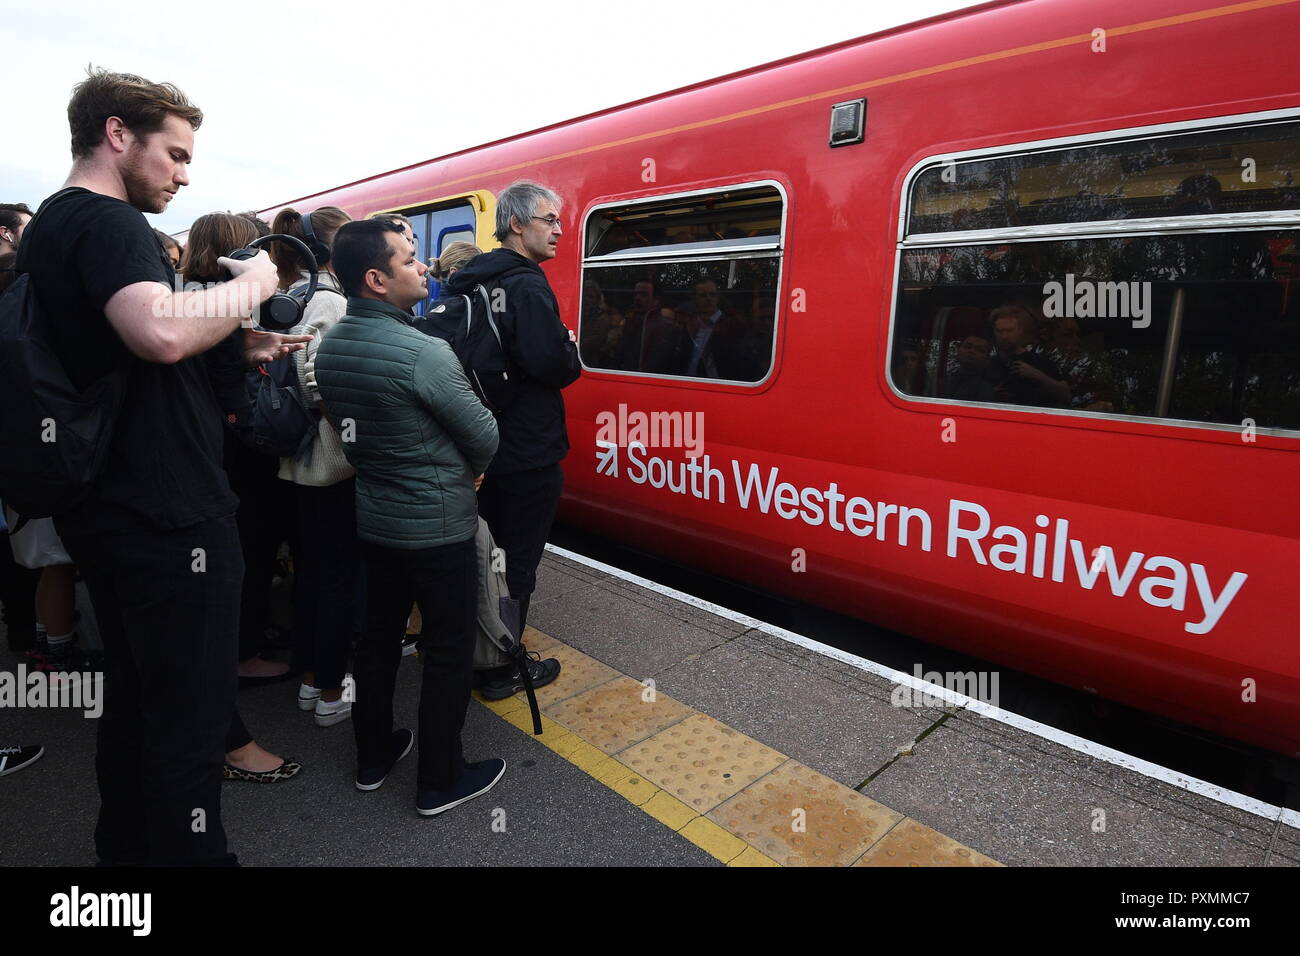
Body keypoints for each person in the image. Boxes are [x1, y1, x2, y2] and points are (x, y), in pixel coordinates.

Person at [18, 69, 301, 864]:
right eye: (173, 154)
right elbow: (162, 335)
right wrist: (253, 285)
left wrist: (234, 342)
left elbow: (126, 352)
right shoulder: (108, 223)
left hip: (113, 507)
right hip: (168, 514)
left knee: (139, 703)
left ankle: (125, 864)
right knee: (189, 718)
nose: (184, 173)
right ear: (117, 135)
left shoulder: (54, 225)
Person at [315, 217, 505, 815]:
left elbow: (354, 439)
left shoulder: (332, 345)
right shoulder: (424, 351)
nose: (423, 267)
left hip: (375, 519)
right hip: (438, 526)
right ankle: (439, 780)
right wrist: (465, 470)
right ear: (376, 279)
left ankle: (374, 755)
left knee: (377, 640)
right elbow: (485, 436)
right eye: (408, 259)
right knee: (446, 650)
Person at [182, 211, 303, 784]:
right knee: (221, 592)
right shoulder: (217, 314)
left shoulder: (186, 306)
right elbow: (235, 410)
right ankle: (227, 742)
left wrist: (249, 349)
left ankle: (239, 662)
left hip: (207, 473)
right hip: (218, 479)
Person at [443, 180, 574, 700]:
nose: (559, 230)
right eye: (549, 220)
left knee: (483, 555)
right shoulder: (527, 283)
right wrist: (570, 349)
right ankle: (499, 666)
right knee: (515, 562)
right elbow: (551, 364)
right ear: (517, 224)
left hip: (481, 443)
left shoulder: (468, 279)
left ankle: (464, 648)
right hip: (527, 450)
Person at [268, 206, 357, 726]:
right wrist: (354, 434)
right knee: (336, 578)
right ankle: (329, 692)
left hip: (300, 459)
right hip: (329, 461)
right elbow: (315, 378)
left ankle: (308, 681)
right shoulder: (327, 299)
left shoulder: (293, 295)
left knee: (314, 574)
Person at [990, 304, 1070, 408]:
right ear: (994, 332)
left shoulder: (1039, 361)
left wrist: (1036, 375)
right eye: (1000, 331)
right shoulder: (988, 362)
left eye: (1010, 331)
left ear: (1020, 331)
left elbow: (1066, 395)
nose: (1004, 336)